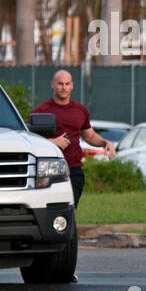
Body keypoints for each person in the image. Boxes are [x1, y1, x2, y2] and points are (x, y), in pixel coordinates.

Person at [32, 69, 114, 209]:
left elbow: (90, 135)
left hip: (74, 169)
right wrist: (53, 142)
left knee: (70, 209)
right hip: (49, 168)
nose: (63, 87)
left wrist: (105, 143)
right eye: (60, 84)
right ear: (52, 85)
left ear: (72, 86)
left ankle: (71, 230)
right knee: (50, 210)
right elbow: (31, 139)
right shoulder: (41, 111)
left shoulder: (80, 110)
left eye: (67, 84)